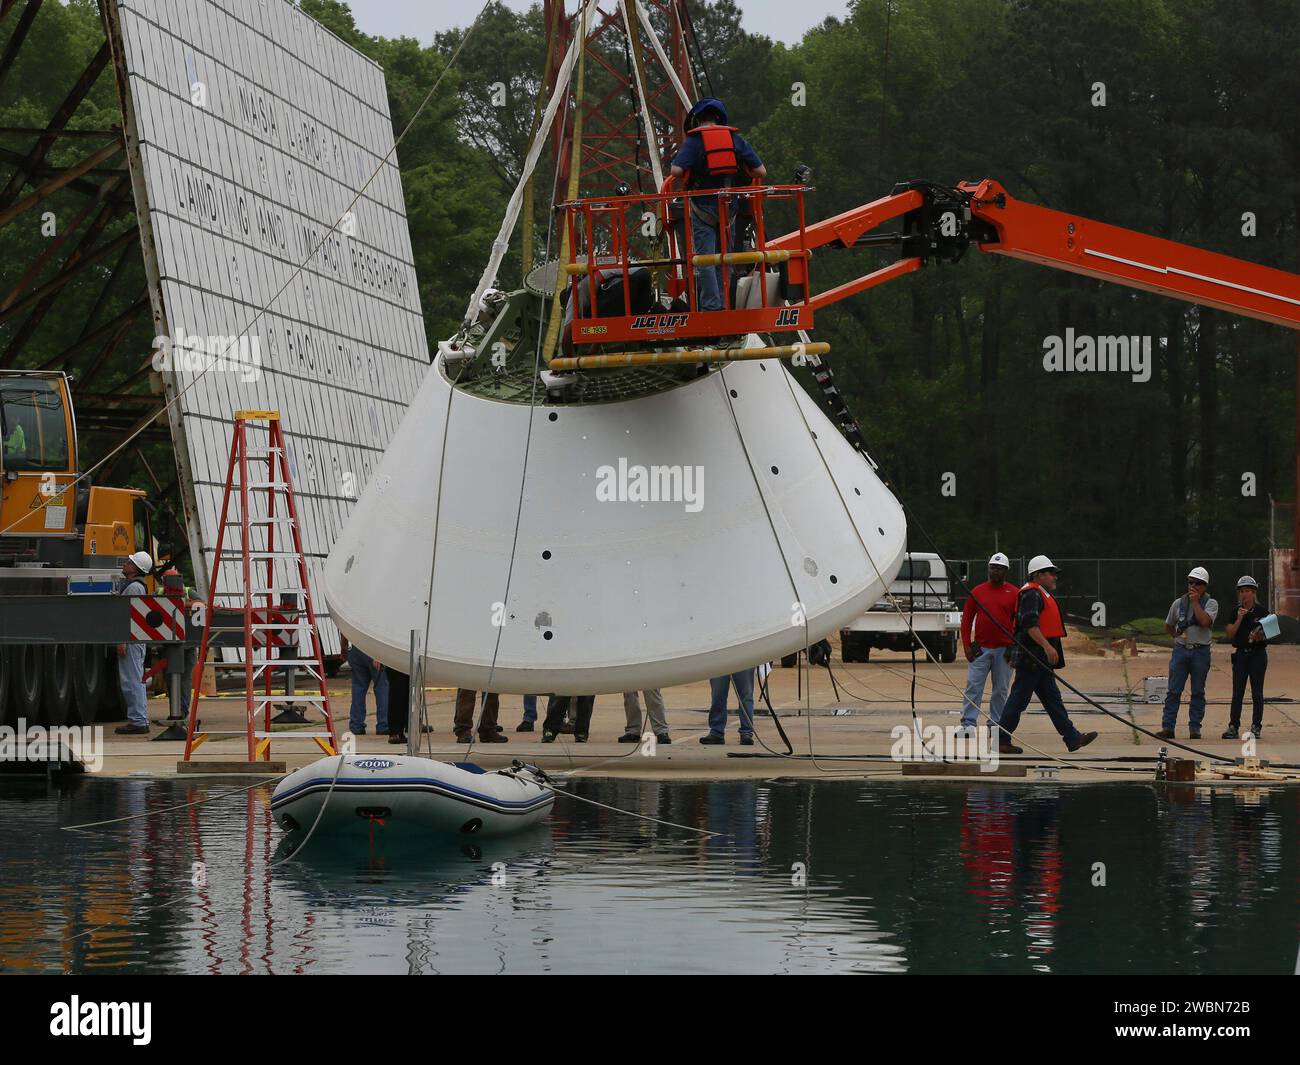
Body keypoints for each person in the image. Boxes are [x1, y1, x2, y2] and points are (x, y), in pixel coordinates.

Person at [669, 97, 766, 311]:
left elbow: (675, 171)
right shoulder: (734, 139)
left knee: (706, 259)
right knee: (726, 258)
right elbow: (761, 171)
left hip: (702, 208)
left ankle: (711, 306)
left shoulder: (694, 141)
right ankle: (724, 303)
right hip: (729, 207)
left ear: (697, 119)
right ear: (719, 118)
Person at [997, 555, 1098, 755]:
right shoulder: (1031, 594)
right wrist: (1047, 647)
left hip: (1039, 659)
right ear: (1039, 575)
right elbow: (1030, 625)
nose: (1054, 577)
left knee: (1052, 699)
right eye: (1051, 573)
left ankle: (1072, 738)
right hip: (1032, 657)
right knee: (1018, 699)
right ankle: (1000, 740)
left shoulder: (1039, 593)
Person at [958, 552, 1018, 736]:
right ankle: (968, 723)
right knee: (973, 685)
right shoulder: (977, 592)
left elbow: (1020, 622)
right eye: (993, 567)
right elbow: (967, 620)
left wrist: (1015, 647)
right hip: (981, 649)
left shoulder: (1015, 593)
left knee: (1000, 689)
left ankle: (996, 723)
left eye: (999, 568)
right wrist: (967, 645)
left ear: (1006, 571)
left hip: (1005, 650)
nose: (995, 571)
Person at [1157, 565, 1219, 740]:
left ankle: (1194, 728)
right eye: (1191, 582)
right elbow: (1168, 625)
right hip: (1181, 651)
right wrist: (1176, 636)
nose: (1193, 586)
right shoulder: (1178, 603)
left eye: (1198, 583)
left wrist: (1195, 603)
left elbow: (1205, 622)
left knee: (1198, 691)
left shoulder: (1211, 603)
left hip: (1201, 652)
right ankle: (1168, 727)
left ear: (1205, 586)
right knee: (1174, 691)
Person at [1223, 575, 1269, 740]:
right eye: (1242, 591)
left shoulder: (1262, 611)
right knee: (1237, 692)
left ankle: (1256, 726)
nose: (1245, 594)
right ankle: (1233, 726)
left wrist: (1260, 637)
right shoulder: (1235, 611)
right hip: (1241, 654)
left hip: (1258, 654)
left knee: (1257, 692)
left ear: (1254, 593)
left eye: (1248, 591)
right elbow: (1229, 634)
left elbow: (1270, 633)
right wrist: (1239, 618)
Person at [113, 551, 153, 736]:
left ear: (135, 569)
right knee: (135, 678)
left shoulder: (133, 588)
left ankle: (138, 720)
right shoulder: (137, 586)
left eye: (129, 562)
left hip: (131, 639)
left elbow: (127, 616)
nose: (125, 564)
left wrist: (122, 640)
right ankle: (139, 719)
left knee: (132, 680)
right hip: (135, 639)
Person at [701, 668, 755, 746]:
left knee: (746, 696)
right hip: (719, 660)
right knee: (717, 695)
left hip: (743, 659)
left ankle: (746, 732)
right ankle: (716, 732)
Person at [346, 642, 388, 736]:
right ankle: (383, 724)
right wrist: (378, 654)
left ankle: (356, 725)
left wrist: (344, 648)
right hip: (373, 649)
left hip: (355, 648)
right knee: (382, 688)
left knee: (358, 688)